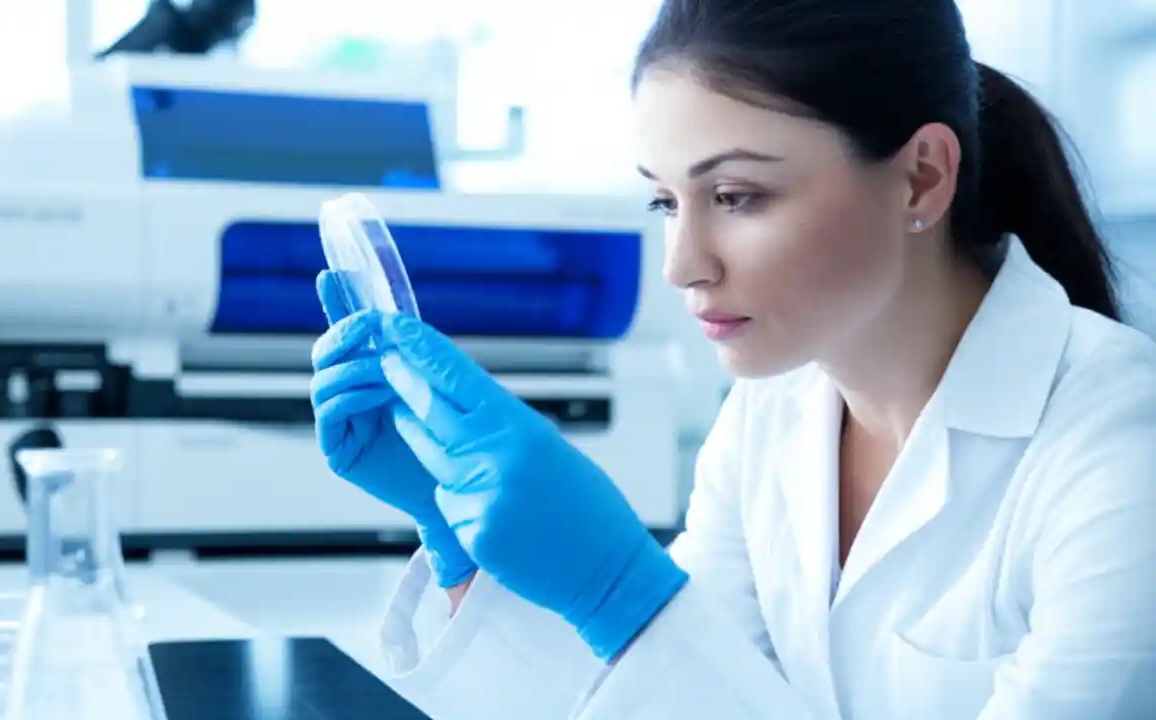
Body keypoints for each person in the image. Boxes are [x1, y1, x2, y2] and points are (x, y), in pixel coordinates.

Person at [308, 0, 1156, 717]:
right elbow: (671, 694)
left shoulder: (1119, 444)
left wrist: (623, 595)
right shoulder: (772, 416)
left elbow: (664, 656)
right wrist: (461, 548)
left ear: (921, 178)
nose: (683, 263)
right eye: (666, 200)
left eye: (736, 197)